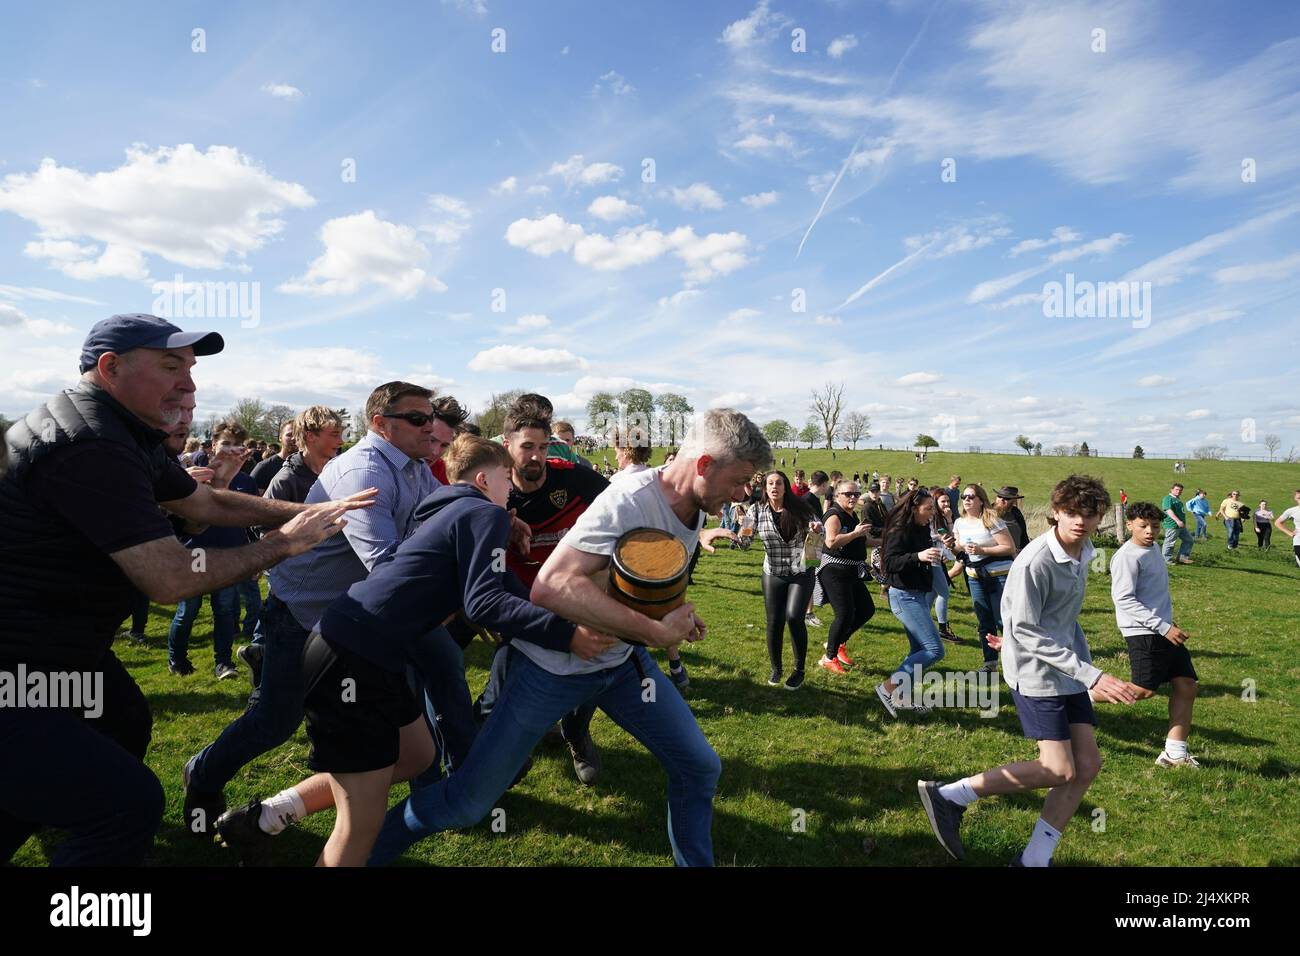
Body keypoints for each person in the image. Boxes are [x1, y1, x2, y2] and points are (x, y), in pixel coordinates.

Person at [0, 314, 373, 865]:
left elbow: (206, 503)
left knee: (121, 724)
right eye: (172, 367)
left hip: (60, 652)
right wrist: (283, 544)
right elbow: (169, 579)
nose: (190, 385)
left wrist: (313, 511)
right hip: (20, 664)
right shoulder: (91, 443)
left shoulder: (121, 428)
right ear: (110, 368)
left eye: (191, 370)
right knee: (124, 803)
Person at [367, 408, 771, 867]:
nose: (743, 494)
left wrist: (673, 610)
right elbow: (552, 585)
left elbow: (635, 579)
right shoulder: (630, 499)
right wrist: (656, 631)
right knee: (466, 803)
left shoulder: (694, 504)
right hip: (549, 670)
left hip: (619, 667)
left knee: (700, 766)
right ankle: (362, 853)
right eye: (740, 481)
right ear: (704, 466)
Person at [295, 435, 606, 864]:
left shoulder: (451, 509)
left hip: (362, 649)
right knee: (360, 826)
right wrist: (568, 636)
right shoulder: (483, 513)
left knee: (416, 756)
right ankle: (278, 814)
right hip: (352, 655)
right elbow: (486, 603)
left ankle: (281, 807)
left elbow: (505, 590)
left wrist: (559, 617)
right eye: (505, 479)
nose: (511, 490)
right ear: (483, 479)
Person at [190, 382, 471, 853]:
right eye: (419, 419)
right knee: (275, 722)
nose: (432, 427)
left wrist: (487, 518)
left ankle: (283, 813)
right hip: (304, 618)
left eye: (431, 419)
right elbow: (387, 567)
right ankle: (203, 774)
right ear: (381, 424)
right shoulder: (365, 471)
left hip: (357, 628)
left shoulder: (418, 469)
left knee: (409, 736)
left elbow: (447, 519)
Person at [917, 476, 1138, 866]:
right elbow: (1023, 629)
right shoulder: (1036, 560)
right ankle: (950, 795)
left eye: (1089, 514)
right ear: (1055, 512)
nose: (1080, 522)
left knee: (1087, 765)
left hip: (1066, 672)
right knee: (1056, 768)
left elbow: (1065, 622)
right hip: (1036, 675)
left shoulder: (1084, 550)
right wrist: (1092, 676)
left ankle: (1034, 860)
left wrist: (1087, 676)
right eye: (1071, 513)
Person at [491, 395, 617, 782]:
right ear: (507, 445)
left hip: (575, 597)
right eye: (526, 447)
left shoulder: (573, 477)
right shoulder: (492, 489)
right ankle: (514, 744)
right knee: (513, 679)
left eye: (542, 447)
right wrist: (497, 521)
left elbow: (623, 503)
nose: (535, 457)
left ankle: (576, 733)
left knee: (590, 665)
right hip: (519, 602)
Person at [239, 406, 346, 688]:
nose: (342, 440)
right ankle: (262, 663)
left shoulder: (338, 471)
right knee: (275, 698)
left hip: (326, 584)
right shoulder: (286, 480)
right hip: (292, 585)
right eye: (335, 434)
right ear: (310, 437)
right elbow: (263, 529)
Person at [166, 420, 262, 679]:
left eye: (238, 444)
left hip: (229, 555)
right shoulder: (196, 477)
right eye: (226, 443)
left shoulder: (246, 482)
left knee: (225, 612)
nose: (232, 449)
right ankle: (177, 658)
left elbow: (248, 522)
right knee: (188, 612)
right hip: (195, 553)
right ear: (213, 446)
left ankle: (224, 663)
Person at [1110, 502, 1200, 767]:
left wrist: (1167, 625)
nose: (1150, 531)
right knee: (1142, 691)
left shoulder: (1154, 548)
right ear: (1129, 525)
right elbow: (1123, 599)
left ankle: (1174, 753)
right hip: (1144, 632)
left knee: (1186, 685)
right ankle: (1079, 697)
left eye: (1155, 526)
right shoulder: (1127, 557)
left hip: (1164, 629)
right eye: (1143, 526)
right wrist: (1163, 627)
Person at [740, 470, 822, 689]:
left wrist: (816, 531)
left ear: (785, 487)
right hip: (773, 573)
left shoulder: (803, 509)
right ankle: (776, 668)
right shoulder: (755, 510)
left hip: (800, 572)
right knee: (774, 622)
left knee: (794, 617)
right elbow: (745, 542)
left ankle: (799, 670)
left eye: (778, 483)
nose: (774, 487)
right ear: (765, 488)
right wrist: (739, 533)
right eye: (770, 483)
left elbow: (818, 536)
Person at [874, 488, 945, 716]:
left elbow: (919, 554)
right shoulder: (899, 530)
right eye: (928, 508)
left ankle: (901, 697)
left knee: (918, 650)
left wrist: (932, 555)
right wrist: (919, 557)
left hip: (919, 594)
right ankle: (887, 688)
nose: (932, 513)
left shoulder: (922, 527)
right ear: (914, 508)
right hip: (904, 596)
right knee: (934, 650)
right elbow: (890, 562)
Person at [954, 484, 1017, 672]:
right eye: (964, 496)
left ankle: (1015, 662)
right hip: (975, 578)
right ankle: (990, 663)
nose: (966, 500)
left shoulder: (991, 520)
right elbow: (959, 548)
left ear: (981, 500)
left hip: (999, 576)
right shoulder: (960, 523)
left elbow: (1009, 548)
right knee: (984, 621)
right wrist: (951, 545)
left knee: (1003, 620)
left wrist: (983, 550)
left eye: (971, 496)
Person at [817, 480, 877, 673]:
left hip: (851, 570)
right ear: (837, 496)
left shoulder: (852, 515)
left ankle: (838, 643)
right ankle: (828, 657)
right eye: (848, 494)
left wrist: (888, 541)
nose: (853, 497)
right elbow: (831, 542)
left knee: (866, 609)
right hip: (835, 570)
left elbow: (864, 540)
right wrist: (854, 533)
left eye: (856, 494)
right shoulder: (834, 515)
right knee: (844, 615)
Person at [930, 487, 961, 643]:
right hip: (932, 558)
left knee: (931, 595)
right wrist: (942, 538)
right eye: (943, 501)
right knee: (943, 593)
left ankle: (922, 626)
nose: (946, 504)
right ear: (936, 502)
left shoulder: (943, 516)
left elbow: (950, 536)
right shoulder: (932, 516)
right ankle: (942, 629)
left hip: (939, 558)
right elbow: (935, 535)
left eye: (948, 501)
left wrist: (949, 519)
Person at [251, 422, 297, 492]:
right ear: (280, 437)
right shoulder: (264, 467)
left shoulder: (309, 467)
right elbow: (252, 499)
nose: (294, 438)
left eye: (298, 435)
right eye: (289, 435)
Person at [1161, 482, 1194, 565]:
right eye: (1176, 489)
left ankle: (1182, 558)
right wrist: (1177, 521)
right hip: (1172, 524)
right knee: (1170, 542)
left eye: (1180, 490)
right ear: (1172, 489)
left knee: (1189, 540)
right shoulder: (1168, 498)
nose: (1178, 491)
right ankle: (1166, 559)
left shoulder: (1177, 499)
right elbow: (1168, 510)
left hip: (1180, 525)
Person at [1273, 489, 1300, 568]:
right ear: (1295, 498)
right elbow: (1277, 522)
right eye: (1298, 497)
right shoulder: (1291, 511)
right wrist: (1290, 533)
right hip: (1298, 540)